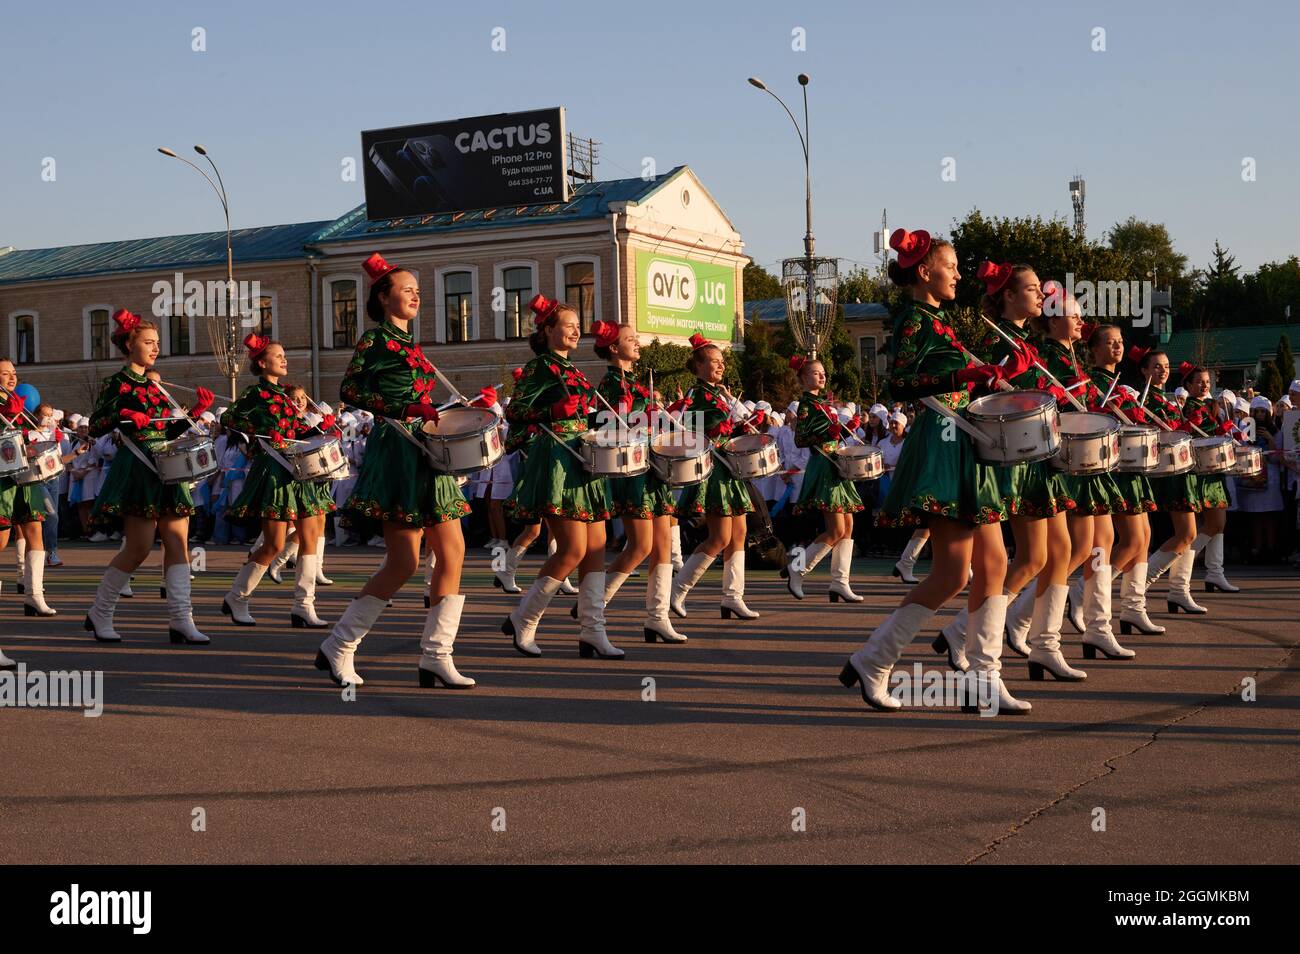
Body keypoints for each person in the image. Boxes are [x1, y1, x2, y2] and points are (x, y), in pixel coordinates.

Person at [841, 229, 1029, 714]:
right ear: (925, 271)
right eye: (952, 265)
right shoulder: (911, 319)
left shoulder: (938, 321)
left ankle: (983, 676)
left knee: (992, 565)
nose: (960, 274)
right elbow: (901, 383)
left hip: (962, 440)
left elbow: (966, 379)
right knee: (950, 573)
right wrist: (965, 375)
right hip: (943, 444)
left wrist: (1001, 372)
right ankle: (874, 660)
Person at [317, 253, 485, 688]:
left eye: (416, 289)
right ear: (383, 296)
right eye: (406, 288)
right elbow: (349, 389)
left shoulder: (413, 346)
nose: (415, 294)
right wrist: (403, 407)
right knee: (405, 561)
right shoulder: (374, 341)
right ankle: (338, 645)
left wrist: (458, 408)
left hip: (426, 444)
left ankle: (436, 655)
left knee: (453, 551)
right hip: (398, 447)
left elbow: (423, 399)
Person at [500, 293, 620, 659]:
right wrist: (552, 409)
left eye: (577, 325)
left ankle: (592, 631)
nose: (575, 330)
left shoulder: (574, 370)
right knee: (572, 549)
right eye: (567, 325)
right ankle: (525, 618)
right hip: (558, 459)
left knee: (596, 549)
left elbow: (588, 414)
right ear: (548, 329)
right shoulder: (540, 368)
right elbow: (516, 412)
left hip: (584, 457)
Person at [83, 310, 214, 645]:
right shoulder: (118, 383)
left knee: (178, 543)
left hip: (169, 468)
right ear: (129, 344)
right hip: (140, 468)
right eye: (148, 342)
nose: (155, 348)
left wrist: (194, 413)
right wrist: (122, 413)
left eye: (157, 342)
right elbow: (96, 425)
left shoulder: (156, 387)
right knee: (139, 547)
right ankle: (100, 613)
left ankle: (182, 620)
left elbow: (165, 428)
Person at [219, 337, 338, 629]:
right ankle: (238, 597)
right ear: (262, 363)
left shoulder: (286, 396)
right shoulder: (255, 393)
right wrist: (260, 431)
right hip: (274, 470)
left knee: (310, 537)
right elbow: (229, 418)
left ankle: (304, 606)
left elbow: (297, 430)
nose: (284, 360)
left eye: (285, 356)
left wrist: (319, 427)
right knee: (272, 544)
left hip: (298, 470)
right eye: (278, 356)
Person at [589, 320, 685, 643]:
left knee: (662, 545)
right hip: (633, 471)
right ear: (614, 348)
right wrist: (642, 417)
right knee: (641, 545)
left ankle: (657, 617)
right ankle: (593, 604)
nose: (637, 342)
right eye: (631, 339)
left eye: (636, 338)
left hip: (651, 466)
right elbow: (609, 427)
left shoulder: (634, 382)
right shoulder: (612, 383)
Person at [667, 332, 759, 621]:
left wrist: (741, 428)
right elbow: (693, 429)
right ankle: (676, 590)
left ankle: (733, 597)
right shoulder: (696, 394)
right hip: (714, 469)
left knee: (740, 533)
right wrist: (724, 425)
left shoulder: (719, 394)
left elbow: (728, 427)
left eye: (722, 361)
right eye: (714, 361)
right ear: (698, 365)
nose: (721, 366)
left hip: (728, 466)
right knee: (719, 537)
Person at [1087, 329, 1164, 638]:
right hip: (1112, 466)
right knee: (1128, 540)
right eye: (1110, 341)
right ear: (1093, 349)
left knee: (1144, 537)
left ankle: (1133, 608)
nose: (1118, 345)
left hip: (1130, 465)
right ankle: (1084, 596)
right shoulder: (1094, 382)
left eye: (1120, 341)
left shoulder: (1119, 385)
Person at [784, 353, 864, 602]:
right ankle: (796, 570)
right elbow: (801, 438)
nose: (822, 376)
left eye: (823, 373)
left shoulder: (822, 404)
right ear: (803, 378)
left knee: (848, 527)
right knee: (836, 529)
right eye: (816, 373)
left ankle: (840, 582)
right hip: (824, 464)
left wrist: (844, 427)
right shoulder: (806, 404)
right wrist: (830, 430)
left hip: (835, 462)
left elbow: (828, 435)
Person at [1140, 350, 1207, 614]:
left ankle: (1179, 591)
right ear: (1144, 371)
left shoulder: (1167, 399)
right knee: (1186, 533)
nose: (1163, 371)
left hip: (1182, 468)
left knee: (1188, 533)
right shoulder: (1146, 400)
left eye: (1166, 366)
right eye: (1156, 367)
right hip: (1169, 471)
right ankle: (1139, 587)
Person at [1180, 365, 1237, 592]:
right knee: (1215, 523)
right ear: (1189, 386)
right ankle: (1179, 564)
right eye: (1200, 382)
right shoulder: (1191, 407)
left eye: (1207, 381)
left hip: (1215, 469)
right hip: (1202, 470)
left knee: (1218, 526)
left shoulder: (1211, 405)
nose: (1205, 385)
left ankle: (1215, 573)